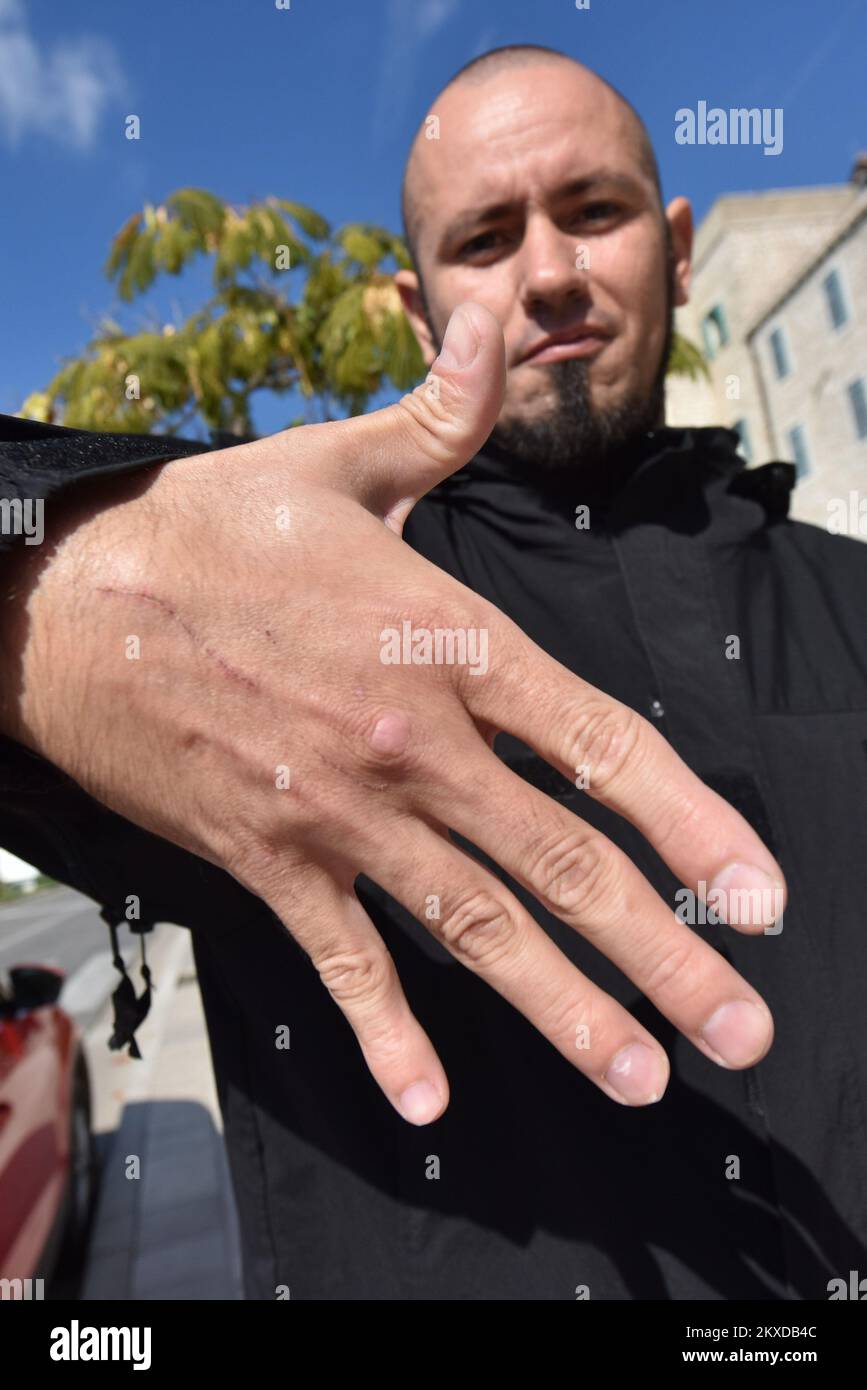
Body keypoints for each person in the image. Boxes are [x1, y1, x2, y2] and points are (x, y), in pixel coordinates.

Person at [1, 44, 865, 1300]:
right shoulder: (287, 628)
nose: (552, 274)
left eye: (594, 212)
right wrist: (62, 578)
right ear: (416, 311)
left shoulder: (849, 594)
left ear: (678, 249)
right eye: (486, 238)